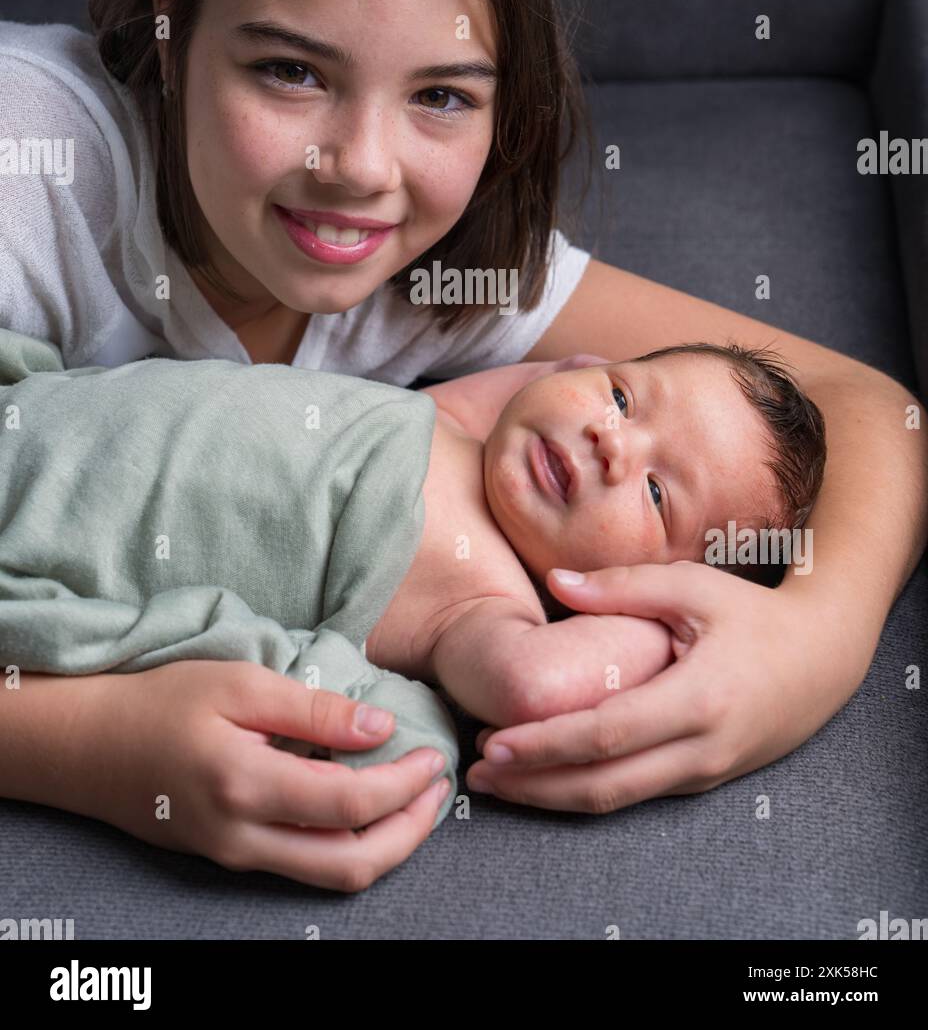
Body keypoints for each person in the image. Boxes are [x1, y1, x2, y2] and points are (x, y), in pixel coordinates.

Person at [0, 0, 924, 893]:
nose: (363, 171)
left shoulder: (438, 275)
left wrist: (807, 646)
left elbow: (867, 409)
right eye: (290, 71)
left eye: (440, 96)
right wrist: (79, 745)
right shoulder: (31, 164)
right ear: (174, 24)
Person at [0, 331, 825, 850]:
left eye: (655, 494)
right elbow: (549, 375)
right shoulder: (456, 421)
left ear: (648, 585)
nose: (612, 442)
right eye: (621, 396)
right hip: (45, 411)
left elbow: (533, 686)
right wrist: (562, 377)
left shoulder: (482, 604)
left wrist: (654, 628)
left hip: (52, 545)